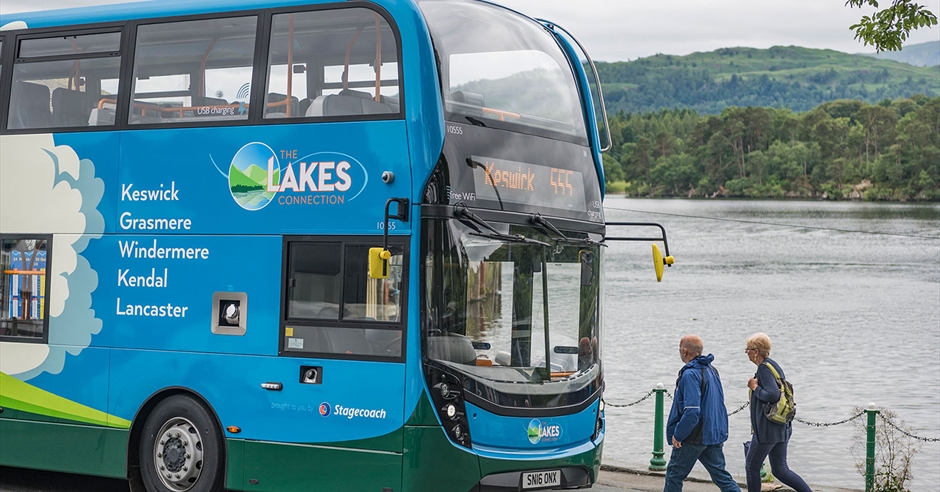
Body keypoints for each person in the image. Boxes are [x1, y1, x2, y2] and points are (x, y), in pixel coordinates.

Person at [664, 334, 739, 492]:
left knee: (674, 475)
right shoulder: (712, 370)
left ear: (685, 351)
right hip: (713, 434)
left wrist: (678, 434)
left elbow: (692, 410)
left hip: (694, 436)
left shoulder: (690, 374)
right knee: (721, 476)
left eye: (679, 348)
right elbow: (718, 403)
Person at [745, 332, 812, 492]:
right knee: (780, 470)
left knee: (751, 466)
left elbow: (772, 395)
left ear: (756, 352)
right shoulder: (773, 365)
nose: (746, 352)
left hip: (767, 430)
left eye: (748, 349)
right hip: (781, 426)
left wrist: (755, 387)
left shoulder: (764, 369)